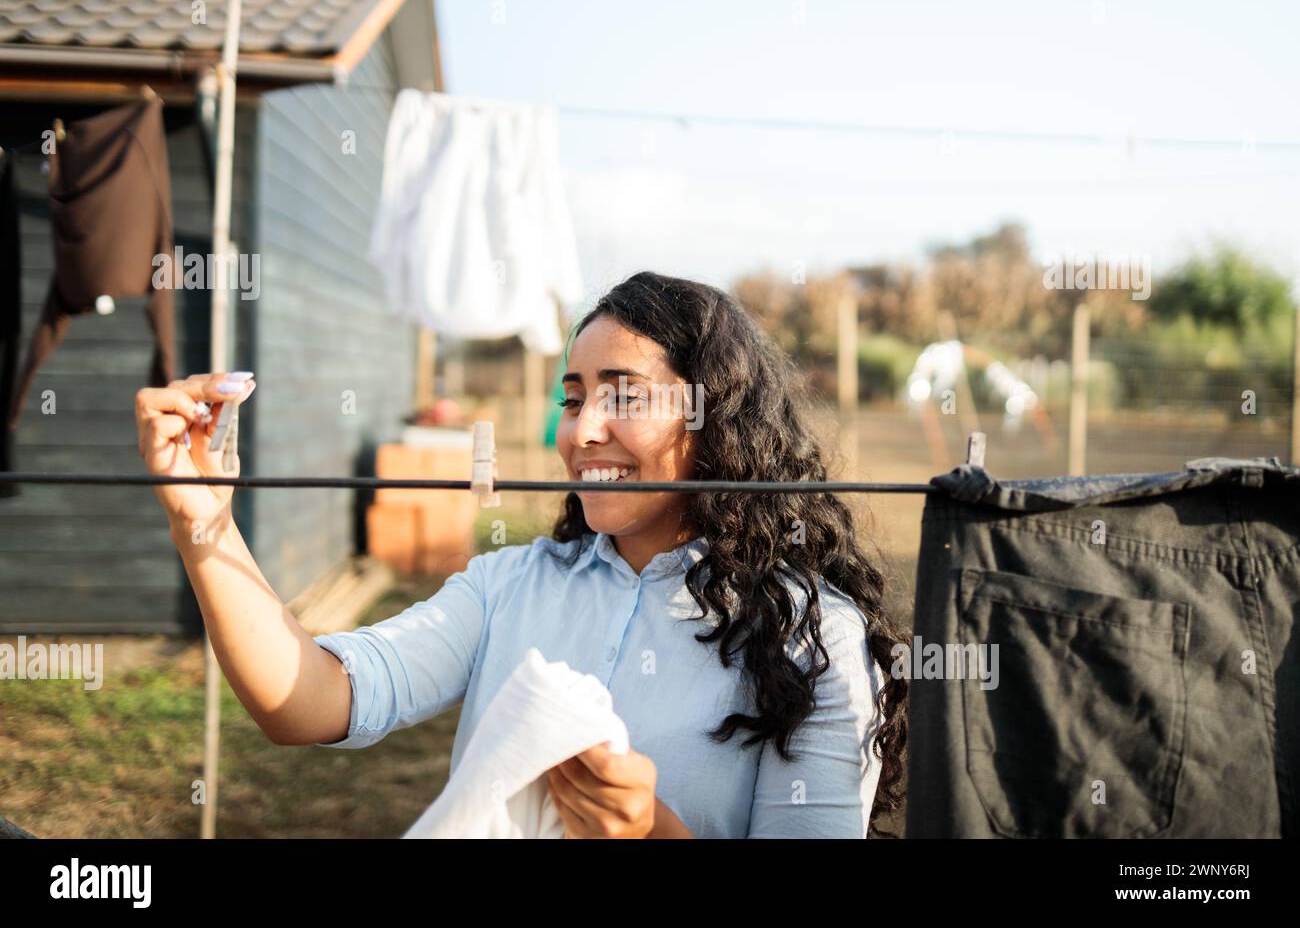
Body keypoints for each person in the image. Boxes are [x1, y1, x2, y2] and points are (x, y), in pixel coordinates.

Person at [134, 271, 908, 838]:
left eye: (623, 395)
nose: (582, 432)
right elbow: (307, 702)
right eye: (572, 399)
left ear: (714, 418)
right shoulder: (508, 585)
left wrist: (650, 834)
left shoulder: (817, 639)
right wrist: (204, 526)